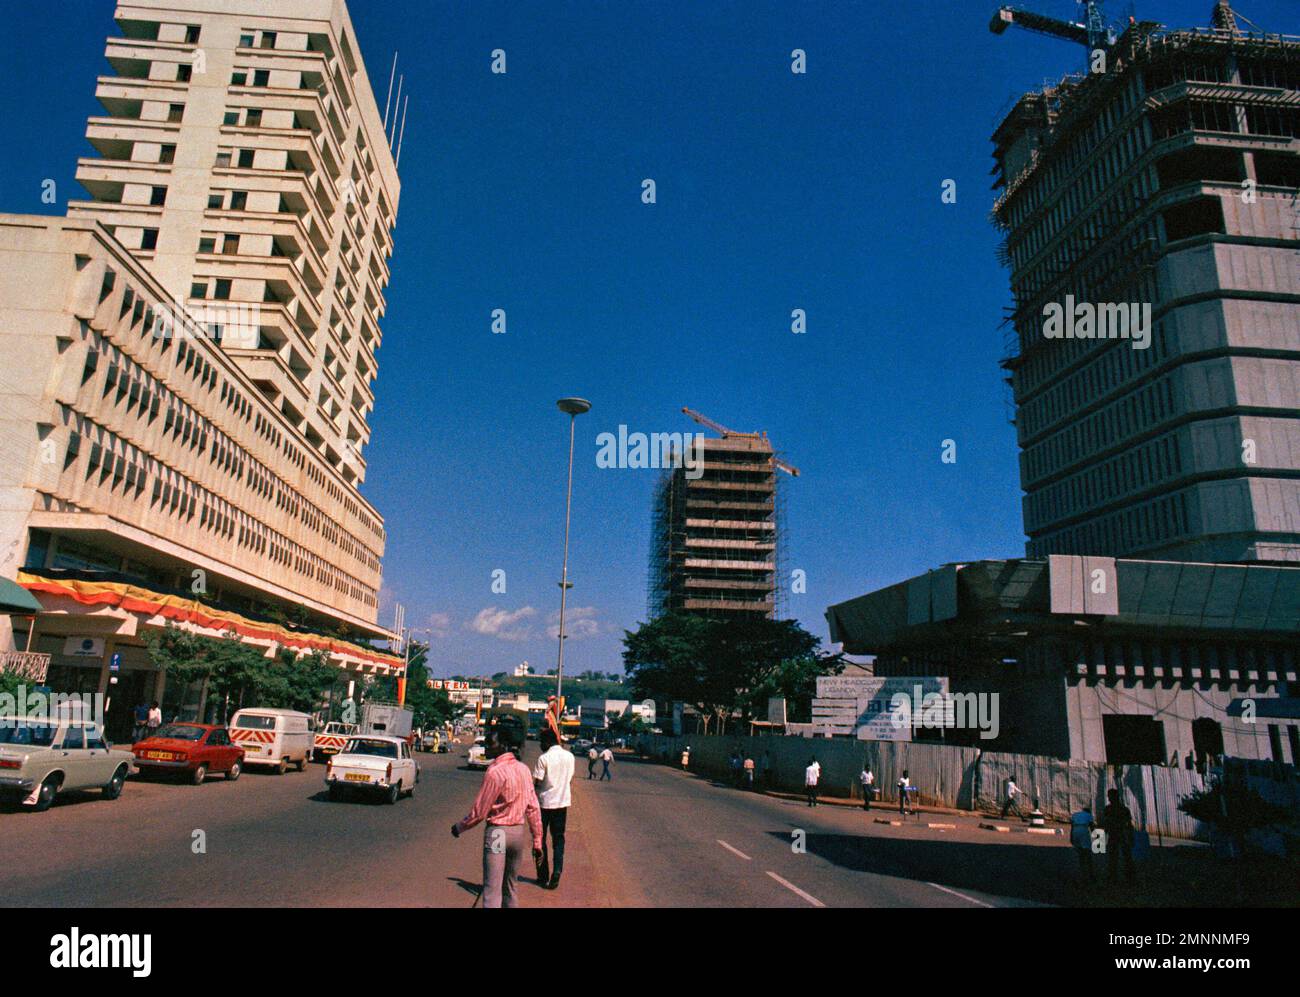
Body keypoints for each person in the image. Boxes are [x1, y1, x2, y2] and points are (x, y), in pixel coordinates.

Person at [451, 726, 543, 908]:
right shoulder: (524, 770)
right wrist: (538, 840)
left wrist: (459, 827)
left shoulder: (495, 772)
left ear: (504, 745)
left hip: (497, 834)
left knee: (492, 890)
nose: (487, 747)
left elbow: (479, 812)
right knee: (511, 887)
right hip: (517, 833)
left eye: (491, 744)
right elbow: (533, 808)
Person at [532, 728, 573, 890]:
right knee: (558, 840)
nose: (541, 745)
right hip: (562, 805)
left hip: (544, 805)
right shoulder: (569, 757)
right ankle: (557, 870)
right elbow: (569, 780)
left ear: (547, 742)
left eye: (542, 742)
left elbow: (537, 781)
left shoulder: (544, 758)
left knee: (539, 839)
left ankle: (542, 876)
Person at [1100, 788, 1136, 883]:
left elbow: (1105, 824)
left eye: (1109, 796)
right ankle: (1129, 876)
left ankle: (1113, 876)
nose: (1109, 798)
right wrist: (1131, 837)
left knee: (1113, 857)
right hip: (1122, 834)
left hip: (1114, 834)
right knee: (1126, 856)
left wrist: (1101, 839)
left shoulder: (1108, 809)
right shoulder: (1124, 809)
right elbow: (1129, 824)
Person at [1070, 804, 1095, 883]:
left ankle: (1082, 871)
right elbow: (1092, 827)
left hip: (1075, 831)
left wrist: (1071, 837)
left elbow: (1072, 827)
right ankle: (1090, 873)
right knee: (1087, 852)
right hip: (1083, 830)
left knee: (1080, 852)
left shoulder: (1075, 815)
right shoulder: (1089, 815)